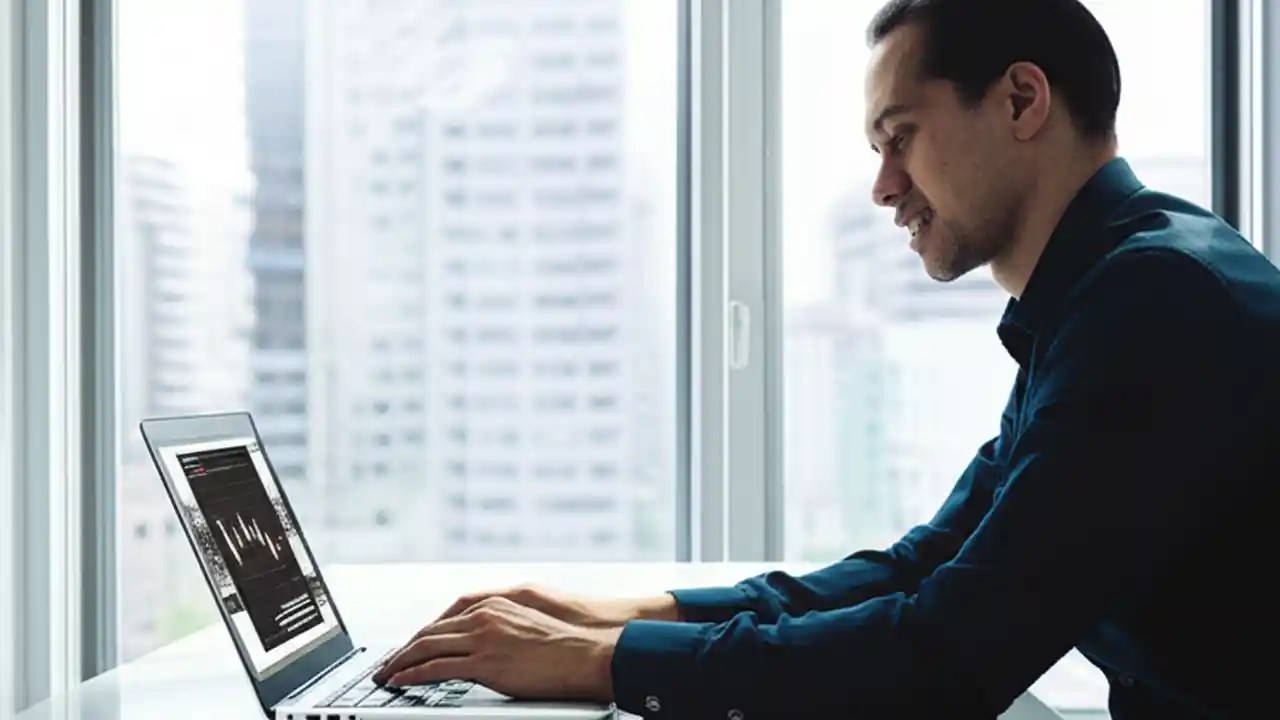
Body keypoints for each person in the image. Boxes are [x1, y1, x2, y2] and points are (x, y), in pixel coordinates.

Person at [374, 0, 1276, 716]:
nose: (885, 187)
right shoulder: (1113, 290)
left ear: (1020, 101)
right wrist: (633, 615)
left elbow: (946, 657)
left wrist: (600, 664)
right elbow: (928, 565)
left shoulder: (1155, 302)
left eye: (900, 136)